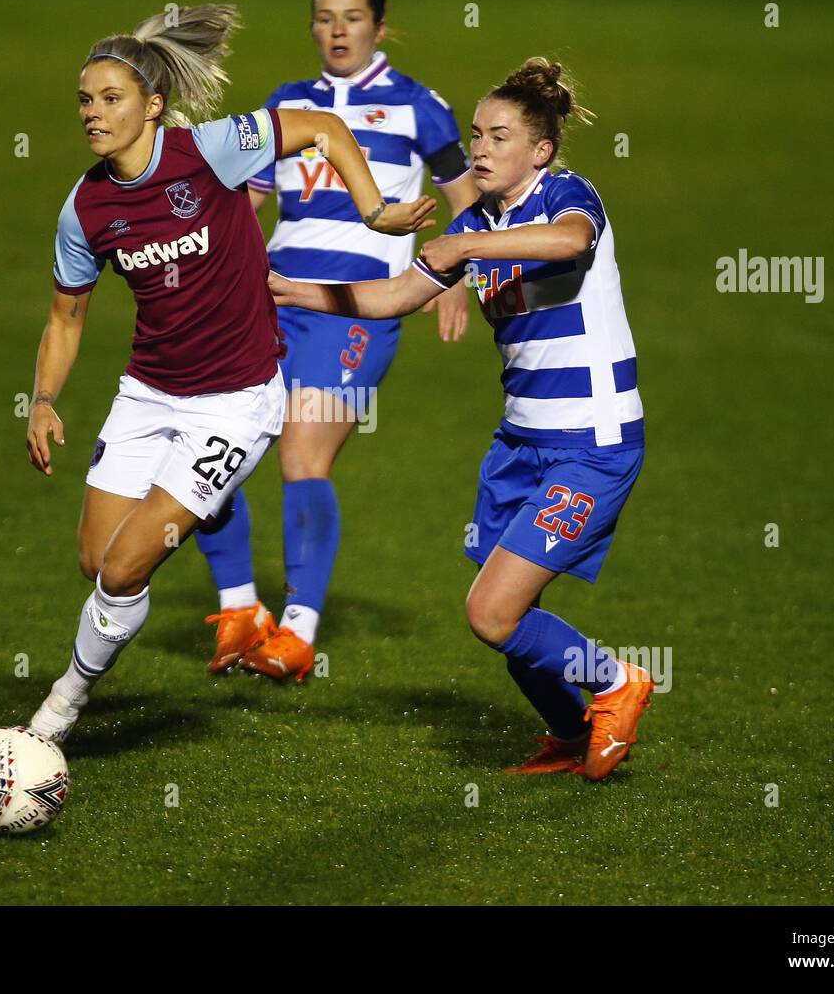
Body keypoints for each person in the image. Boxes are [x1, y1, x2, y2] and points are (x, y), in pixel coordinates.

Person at [24, 4, 434, 742]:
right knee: (96, 558)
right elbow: (66, 318)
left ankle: (59, 708)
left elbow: (326, 128)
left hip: (237, 402)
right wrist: (44, 398)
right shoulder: (85, 208)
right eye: (85, 99)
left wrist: (373, 211)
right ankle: (223, 574)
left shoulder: (210, 149)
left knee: (122, 571)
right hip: (148, 393)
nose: (93, 112)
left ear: (152, 106)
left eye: (110, 98)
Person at [269, 57, 652, 780]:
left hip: (591, 445)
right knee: (505, 608)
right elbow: (388, 299)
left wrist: (466, 245)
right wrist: (293, 290)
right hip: (522, 443)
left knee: (493, 613)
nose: (479, 148)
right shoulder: (479, 216)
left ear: (538, 151)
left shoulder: (567, 196)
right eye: (476, 134)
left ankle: (616, 682)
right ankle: (570, 731)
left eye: (499, 137)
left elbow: (570, 243)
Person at [196, 0, 479, 683]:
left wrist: (453, 276)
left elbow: (470, 205)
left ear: (379, 28)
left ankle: (297, 632)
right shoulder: (286, 105)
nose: (338, 30)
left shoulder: (420, 106)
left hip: (360, 312)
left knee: (301, 455)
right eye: (324, 19)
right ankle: (238, 611)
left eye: (353, 17)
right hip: (272, 301)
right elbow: (244, 206)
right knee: (205, 449)